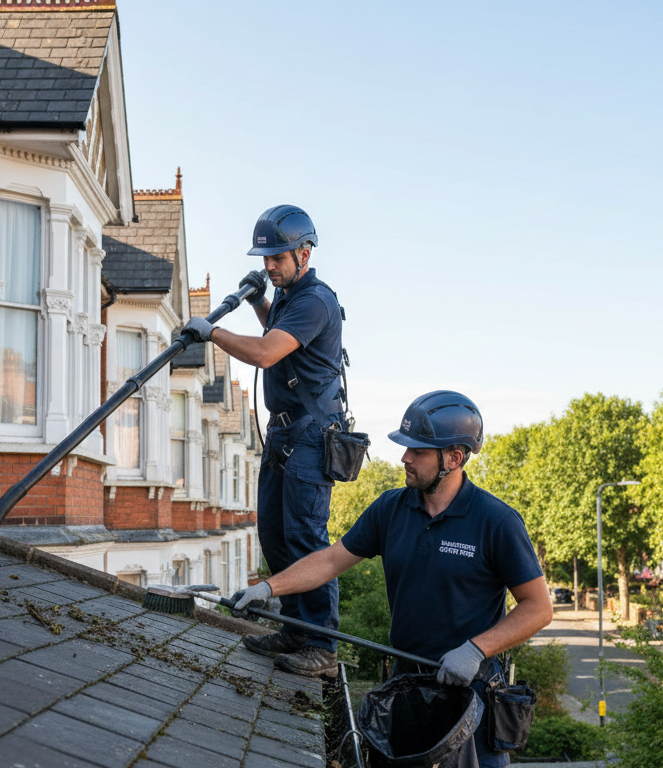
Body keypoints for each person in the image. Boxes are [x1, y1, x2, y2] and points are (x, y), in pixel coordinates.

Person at [231, 391, 553, 768]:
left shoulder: (496, 522)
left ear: (454, 458)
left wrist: (476, 649)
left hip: (471, 698)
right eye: (406, 448)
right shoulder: (390, 508)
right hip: (407, 689)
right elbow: (330, 561)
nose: (405, 458)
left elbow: (538, 608)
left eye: (418, 450)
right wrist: (268, 587)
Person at [182, 205, 345, 677]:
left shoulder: (316, 301)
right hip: (283, 434)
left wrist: (213, 332)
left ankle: (321, 645)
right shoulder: (291, 298)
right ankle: (295, 629)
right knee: (274, 535)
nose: (269, 266)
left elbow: (267, 352)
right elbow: (278, 330)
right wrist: (258, 303)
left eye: (277, 257)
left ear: (304, 254)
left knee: (307, 539)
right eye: (265, 258)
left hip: (310, 438)